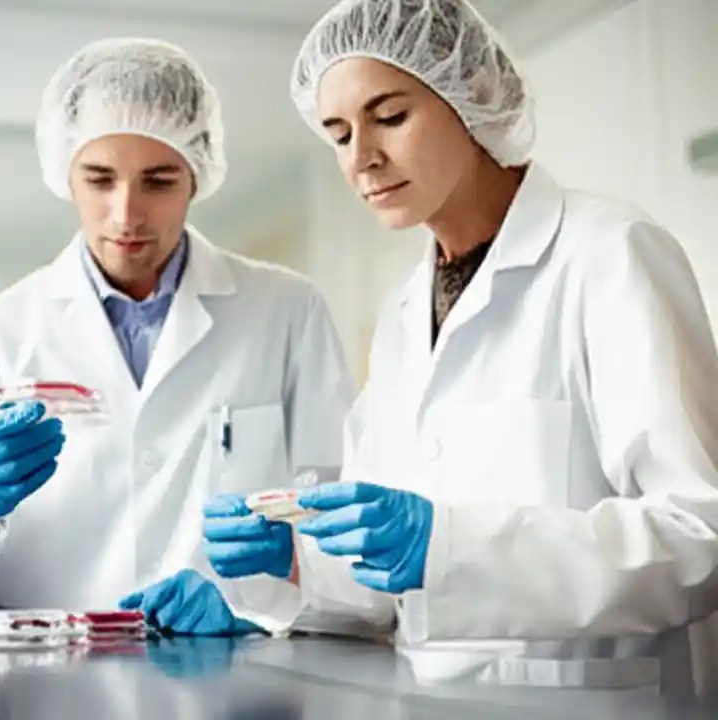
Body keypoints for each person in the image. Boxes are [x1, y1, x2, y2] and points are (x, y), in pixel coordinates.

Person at [201, 0, 718, 692]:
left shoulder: (609, 254)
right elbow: (386, 590)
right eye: (339, 134)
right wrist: (292, 563)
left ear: (472, 91)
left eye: (390, 116)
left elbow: (697, 535)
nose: (361, 159)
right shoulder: (403, 314)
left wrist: (444, 546)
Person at [0, 38, 354, 635]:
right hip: (49, 670)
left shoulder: (286, 310)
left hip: (236, 670)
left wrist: (252, 619)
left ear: (197, 177)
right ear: (65, 176)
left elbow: (337, 520)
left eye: (158, 181)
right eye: (100, 179)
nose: (126, 214)